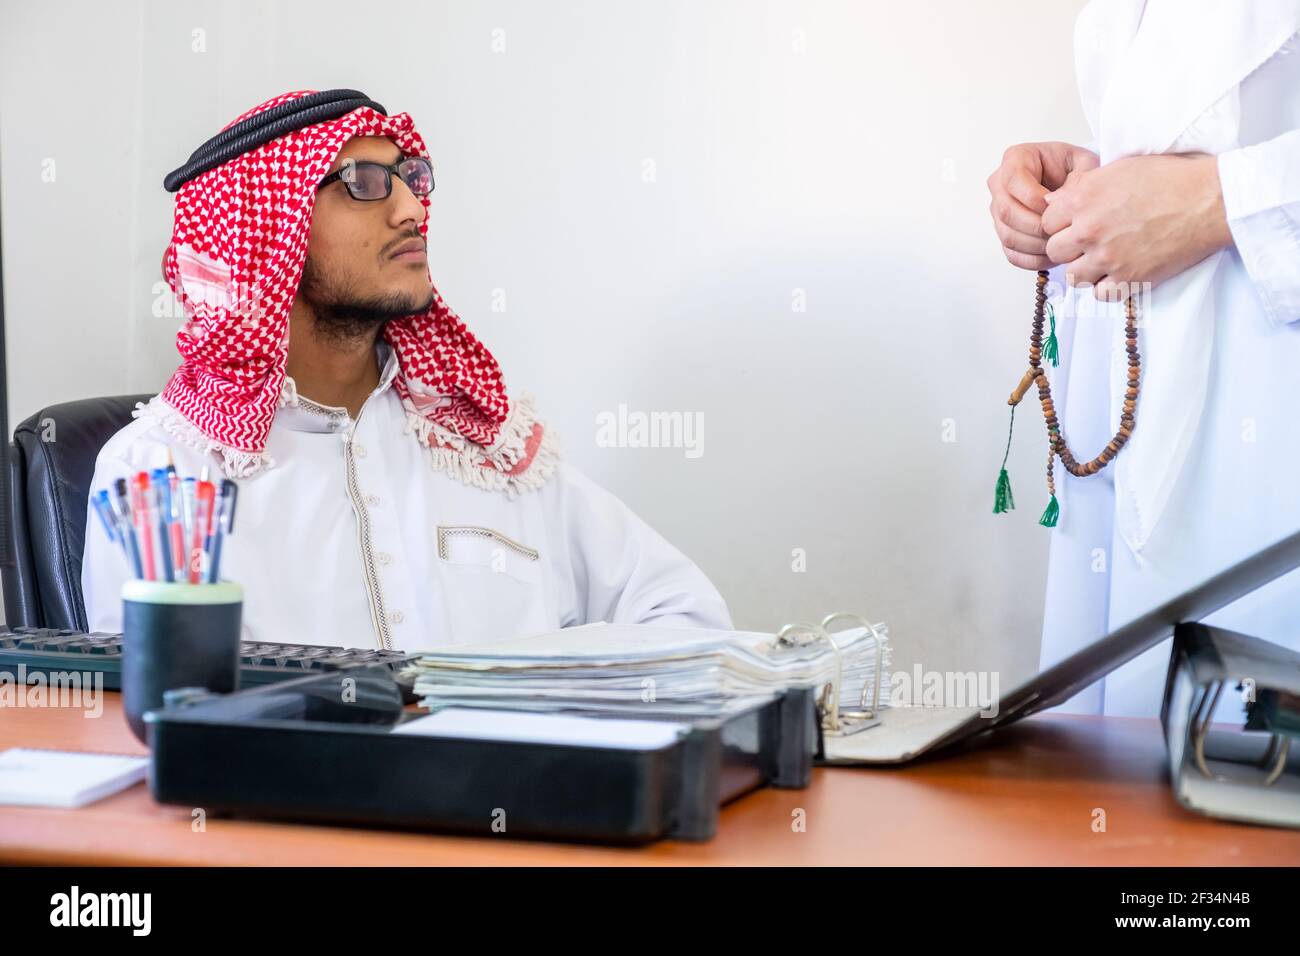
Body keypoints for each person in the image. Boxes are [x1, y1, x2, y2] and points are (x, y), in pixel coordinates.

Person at [80, 89, 731, 650]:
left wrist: (553, 712)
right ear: (263, 228)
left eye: (409, 179)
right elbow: (173, 718)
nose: (412, 210)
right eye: (362, 183)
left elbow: (688, 619)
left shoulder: (482, 447)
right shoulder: (162, 475)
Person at [987, 1, 1300, 716]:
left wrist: (1221, 201)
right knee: (1136, 742)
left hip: (1275, 404)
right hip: (1141, 390)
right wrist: (1093, 189)